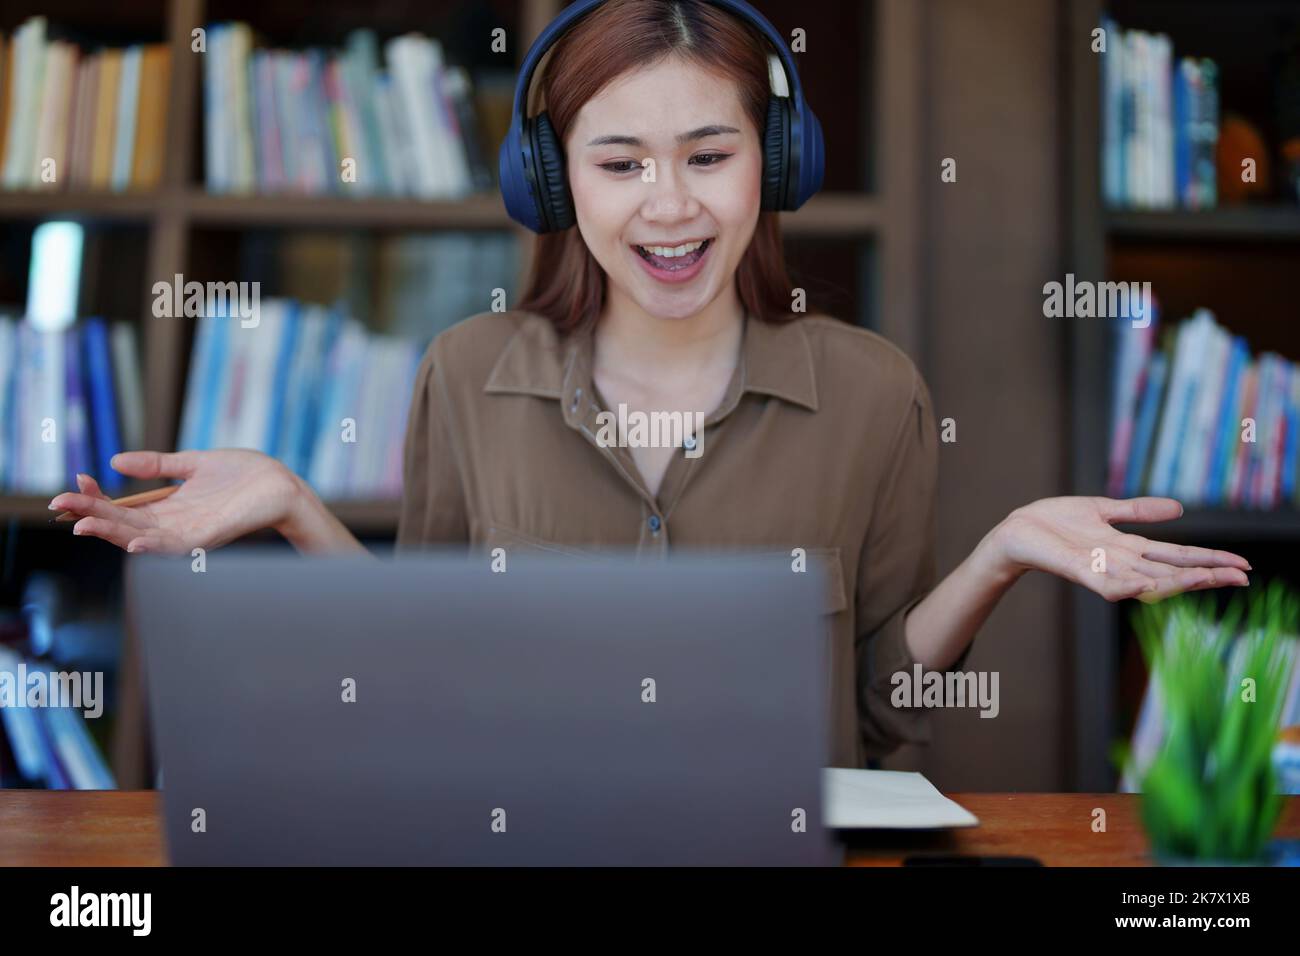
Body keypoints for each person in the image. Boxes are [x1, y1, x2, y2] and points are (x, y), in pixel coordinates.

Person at [47, 0, 1249, 769]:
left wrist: (999, 552)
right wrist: (299, 507)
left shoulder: (876, 392)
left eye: (709, 156)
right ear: (556, 182)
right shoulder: (466, 374)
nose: (668, 206)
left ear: (770, 166)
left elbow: (882, 715)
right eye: (619, 162)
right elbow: (423, 678)